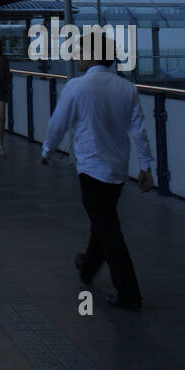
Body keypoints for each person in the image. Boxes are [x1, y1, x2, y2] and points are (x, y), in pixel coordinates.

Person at [41, 48, 154, 311]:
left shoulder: (77, 86)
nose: (77, 56)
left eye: (81, 52)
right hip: (117, 169)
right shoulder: (127, 88)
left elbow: (59, 123)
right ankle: (87, 267)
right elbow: (138, 130)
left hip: (91, 168)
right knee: (102, 220)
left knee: (107, 228)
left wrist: (47, 149)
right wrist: (146, 166)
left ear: (93, 56)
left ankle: (129, 292)